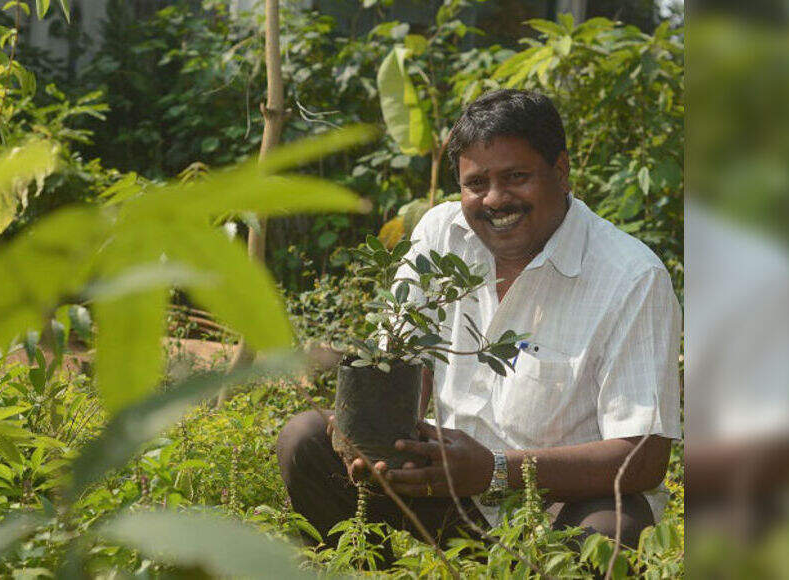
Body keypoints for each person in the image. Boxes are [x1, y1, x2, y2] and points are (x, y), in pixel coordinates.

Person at [276, 89, 681, 549]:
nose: (495, 199)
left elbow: (644, 458)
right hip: (447, 486)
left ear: (562, 172)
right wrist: (378, 441)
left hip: (560, 502)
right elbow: (404, 364)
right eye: (476, 184)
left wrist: (495, 470)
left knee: (609, 534)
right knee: (305, 440)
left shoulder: (631, 277)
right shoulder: (442, 234)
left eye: (516, 177)